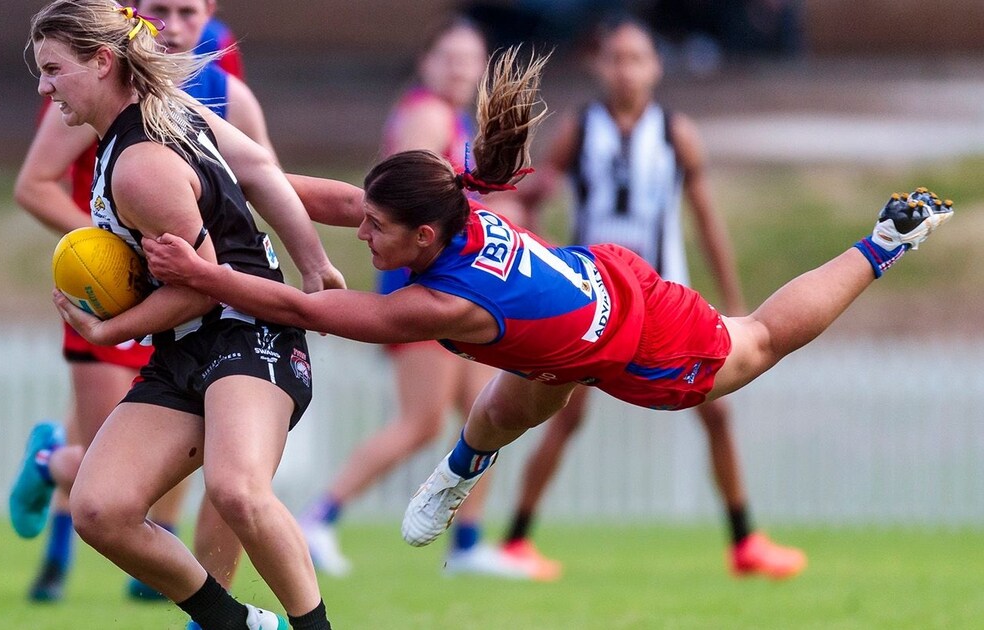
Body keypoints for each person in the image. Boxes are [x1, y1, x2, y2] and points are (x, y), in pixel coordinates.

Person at [139, 47, 953, 567]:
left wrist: (205, 273)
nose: (367, 239)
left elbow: (314, 311)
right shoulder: (439, 206)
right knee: (518, 400)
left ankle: (883, 242)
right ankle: (463, 471)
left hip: (638, 331)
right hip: (580, 292)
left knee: (761, 341)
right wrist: (216, 172)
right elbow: (331, 199)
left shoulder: (441, 302)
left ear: (425, 236)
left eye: (381, 233)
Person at [14, 1, 343, 628]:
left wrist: (112, 328)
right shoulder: (167, 116)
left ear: (102, 62)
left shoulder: (140, 167)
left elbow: (200, 286)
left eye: (53, 70)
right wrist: (314, 259)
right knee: (99, 508)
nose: (43, 85)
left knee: (236, 490)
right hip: (185, 350)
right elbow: (262, 172)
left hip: (250, 337)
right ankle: (236, 623)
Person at [491, 16, 804, 581]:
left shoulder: (676, 133)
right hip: (593, 305)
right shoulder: (581, 130)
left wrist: (733, 297)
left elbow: (707, 218)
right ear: (599, 64)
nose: (626, 69)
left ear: (656, 67)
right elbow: (535, 196)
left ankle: (744, 541)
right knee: (562, 418)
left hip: (666, 302)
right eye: (616, 58)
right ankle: (514, 541)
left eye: (637, 58)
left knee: (717, 412)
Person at [296, 15, 533, 581]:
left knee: (493, 408)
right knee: (425, 420)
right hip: (430, 281)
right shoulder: (427, 114)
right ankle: (318, 516)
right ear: (426, 63)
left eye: (469, 58)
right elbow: (412, 203)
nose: (458, 68)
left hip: (462, 281)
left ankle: (470, 543)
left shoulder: (451, 119)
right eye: (447, 56)